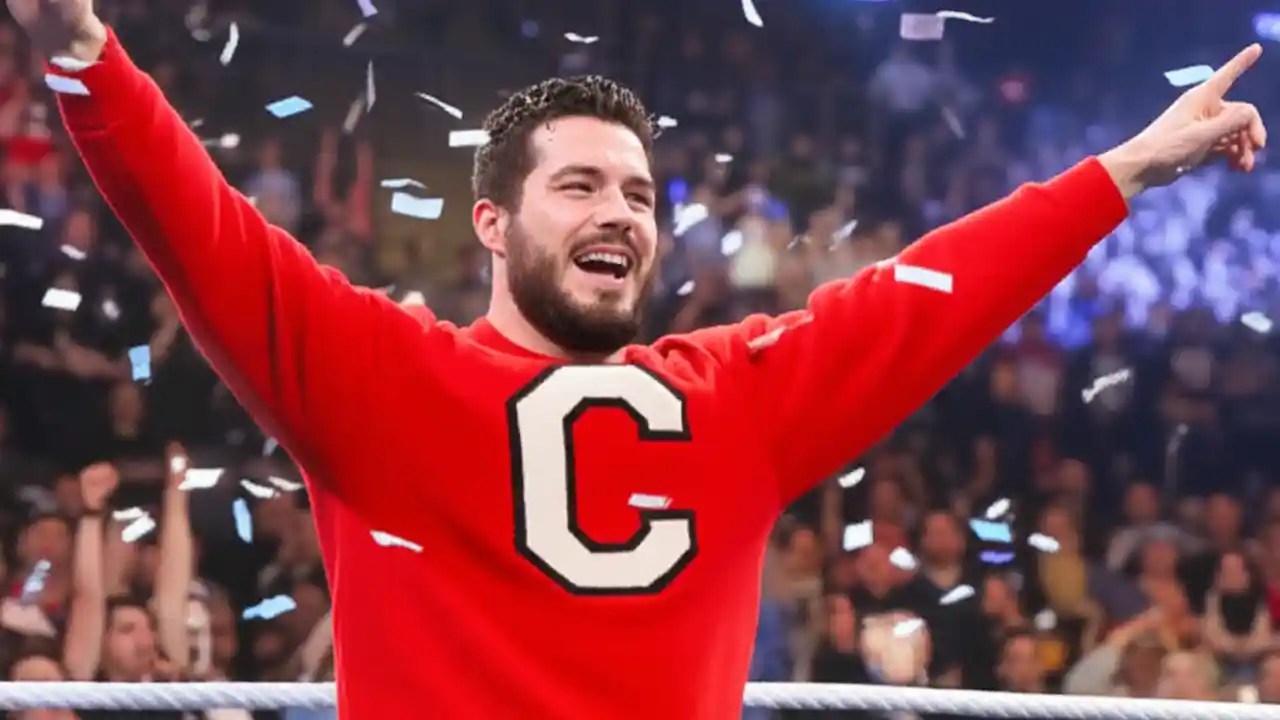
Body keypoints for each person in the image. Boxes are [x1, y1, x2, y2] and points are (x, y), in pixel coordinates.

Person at [10, 0, 1267, 715]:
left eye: (638, 193)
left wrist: (1123, 173)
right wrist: (80, 44)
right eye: (577, 186)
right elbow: (206, 233)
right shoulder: (382, 375)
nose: (619, 211)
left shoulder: (739, 393)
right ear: (490, 226)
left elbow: (922, 300)